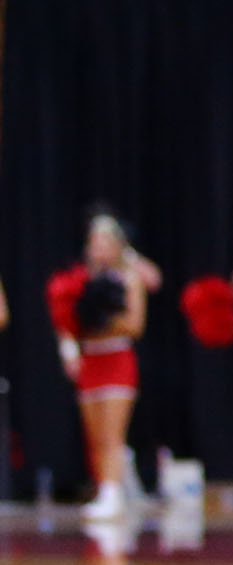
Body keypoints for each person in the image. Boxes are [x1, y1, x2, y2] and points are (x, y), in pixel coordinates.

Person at [59, 214, 151, 522]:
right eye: (94, 241)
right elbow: (66, 323)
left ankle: (113, 493)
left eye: (105, 241)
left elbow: (135, 325)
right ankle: (105, 490)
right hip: (91, 360)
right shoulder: (79, 282)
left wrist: (106, 318)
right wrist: (70, 349)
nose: (99, 248)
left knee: (113, 435)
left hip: (117, 360)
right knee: (96, 435)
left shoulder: (129, 278)